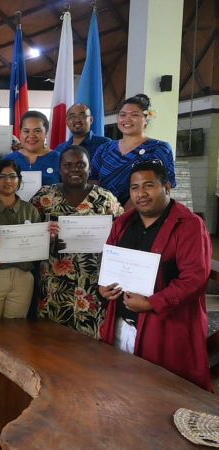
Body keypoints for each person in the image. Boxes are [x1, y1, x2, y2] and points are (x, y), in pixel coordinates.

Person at [98, 161, 212, 391]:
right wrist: (103, 287)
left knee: (161, 393)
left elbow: (194, 279)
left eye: (148, 186)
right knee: (119, 388)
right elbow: (109, 262)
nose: (141, 194)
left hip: (166, 328)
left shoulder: (189, 225)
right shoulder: (123, 222)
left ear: (167, 187)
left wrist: (152, 302)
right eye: (135, 187)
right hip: (122, 321)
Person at [30, 146, 123, 338]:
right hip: (54, 285)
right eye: (68, 165)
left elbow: (122, 236)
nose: (74, 169)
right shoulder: (44, 198)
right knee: (50, 343)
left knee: (90, 347)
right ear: (60, 168)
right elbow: (28, 234)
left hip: (93, 286)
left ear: (89, 169)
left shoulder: (106, 199)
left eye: (81, 164)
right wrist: (45, 236)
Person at [0, 160, 42, 319]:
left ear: (19, 180)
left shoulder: (30, 210)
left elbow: (37, 247)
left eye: (12, 176)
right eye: (2, 176)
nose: (8, 181)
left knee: (15, 331)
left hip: (23, 277)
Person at [91, 94, 176, 207]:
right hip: (105, 213)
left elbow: (165, 186)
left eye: (134, 115)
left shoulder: (159, 148)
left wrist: (125, 215)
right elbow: (93, 180)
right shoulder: (105, 148)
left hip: (142, 214)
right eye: (123, 114)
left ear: (146, 119)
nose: (127, 119)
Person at [3, 110, 61, 189]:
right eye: (26, 131)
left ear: (46, 133)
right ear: (20, 133)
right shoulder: (8, 160)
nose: (31, 135)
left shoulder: (59, 159)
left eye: (37, 131)